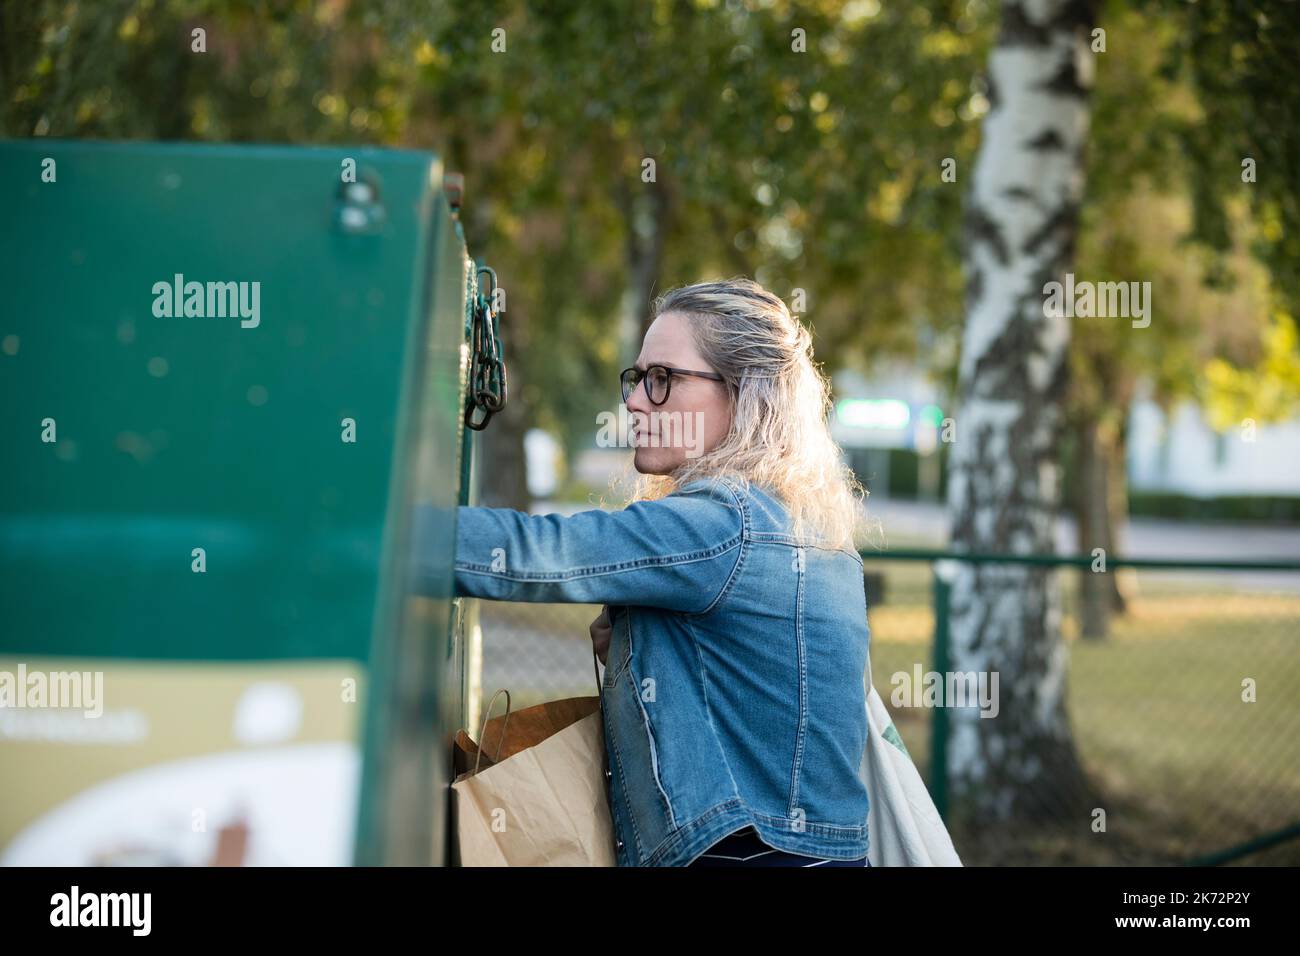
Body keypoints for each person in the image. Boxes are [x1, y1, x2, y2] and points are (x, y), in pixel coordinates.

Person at [450, 276, 873, 867]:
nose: (634, 400)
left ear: (745, 392)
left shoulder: (725, 523)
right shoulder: (811, 530)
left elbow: (539, 553)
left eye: (663, 380)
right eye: (637, 378)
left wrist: (377, 533)